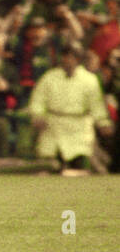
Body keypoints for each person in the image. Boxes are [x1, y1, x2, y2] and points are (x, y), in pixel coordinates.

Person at [28, 43, 110, 173]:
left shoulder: (89, 79)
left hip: (79, 127)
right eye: (65, 57)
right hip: (54, 125)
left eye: (71, 57)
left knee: (79, 164)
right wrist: (38, 115)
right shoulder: (49, 77)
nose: (67, 60)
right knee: (49, 165)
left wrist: (102, 122)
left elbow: (96, 104)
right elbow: (38, 100)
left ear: (78, 59)